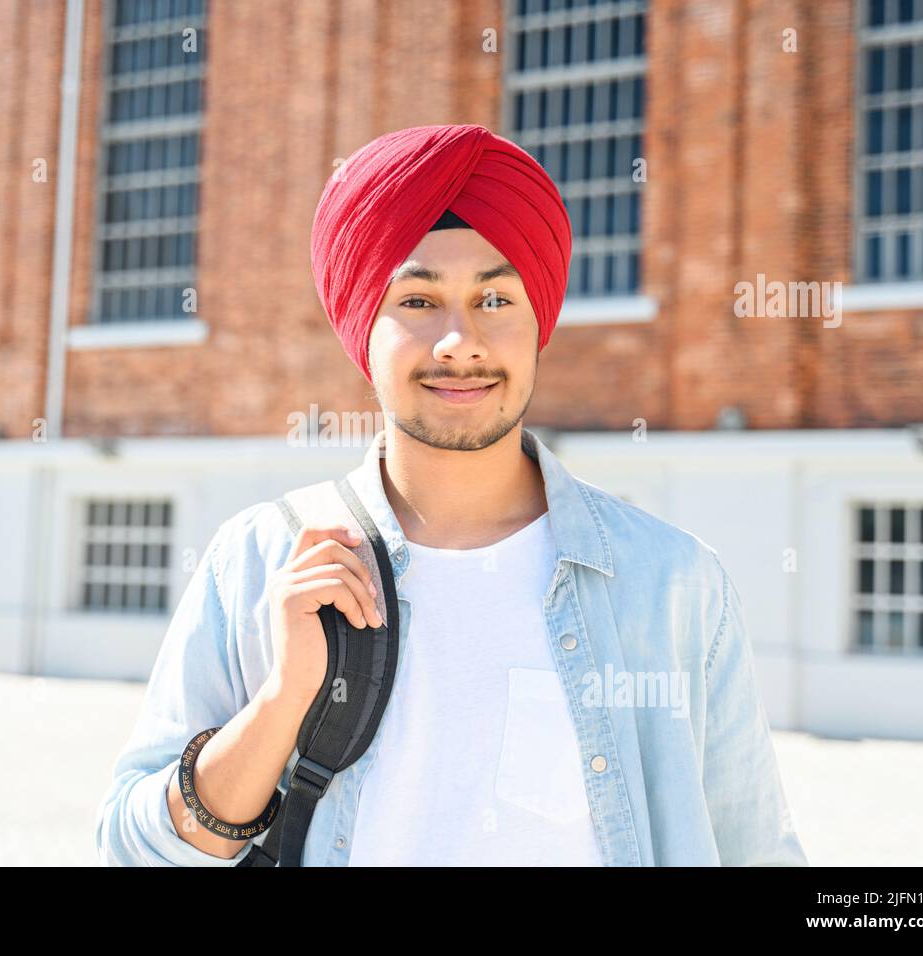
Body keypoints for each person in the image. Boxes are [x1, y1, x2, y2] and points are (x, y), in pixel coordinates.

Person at [94, 123, 808, 867]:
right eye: (419, 300)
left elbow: (757, 852)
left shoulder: (672, 585)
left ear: (539, 325)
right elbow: (131, 851)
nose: (458, 343)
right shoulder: (257, 560)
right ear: (362, 326)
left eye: (495, 299)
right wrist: (281, 700)